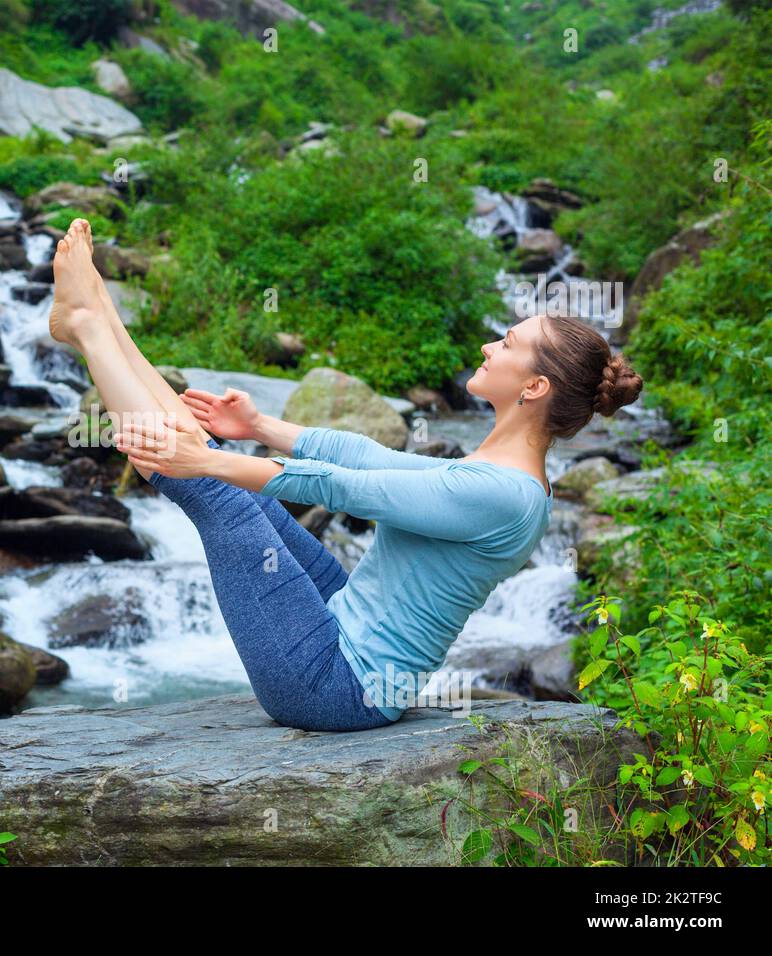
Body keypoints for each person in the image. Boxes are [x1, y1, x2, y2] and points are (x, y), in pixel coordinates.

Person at [48, 218, 644, 731]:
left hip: (336, 687)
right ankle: (97, 315)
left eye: (508, 343)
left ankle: (91, 329)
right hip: (341, 628)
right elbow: (365, 457)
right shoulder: (503, 476)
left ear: (534, 387)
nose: (490, 346)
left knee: (218, 489)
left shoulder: (502, 495)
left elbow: (348, 489)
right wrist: (258, 426)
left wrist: (207, 462)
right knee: (239, 489)